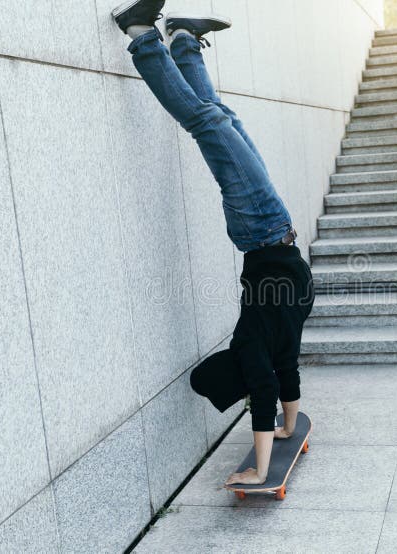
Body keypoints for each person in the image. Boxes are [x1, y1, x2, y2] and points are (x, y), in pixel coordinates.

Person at [112, 0, 315, 486]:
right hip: (276, 225)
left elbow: (264, 397)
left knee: (209, 125)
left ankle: (141, 35)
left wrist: (261, 471)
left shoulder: (250, 345)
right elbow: (285, 378)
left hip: (260, 228)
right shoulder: (276, 347)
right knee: (224, 120)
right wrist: (292, 424)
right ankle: (184, 42)